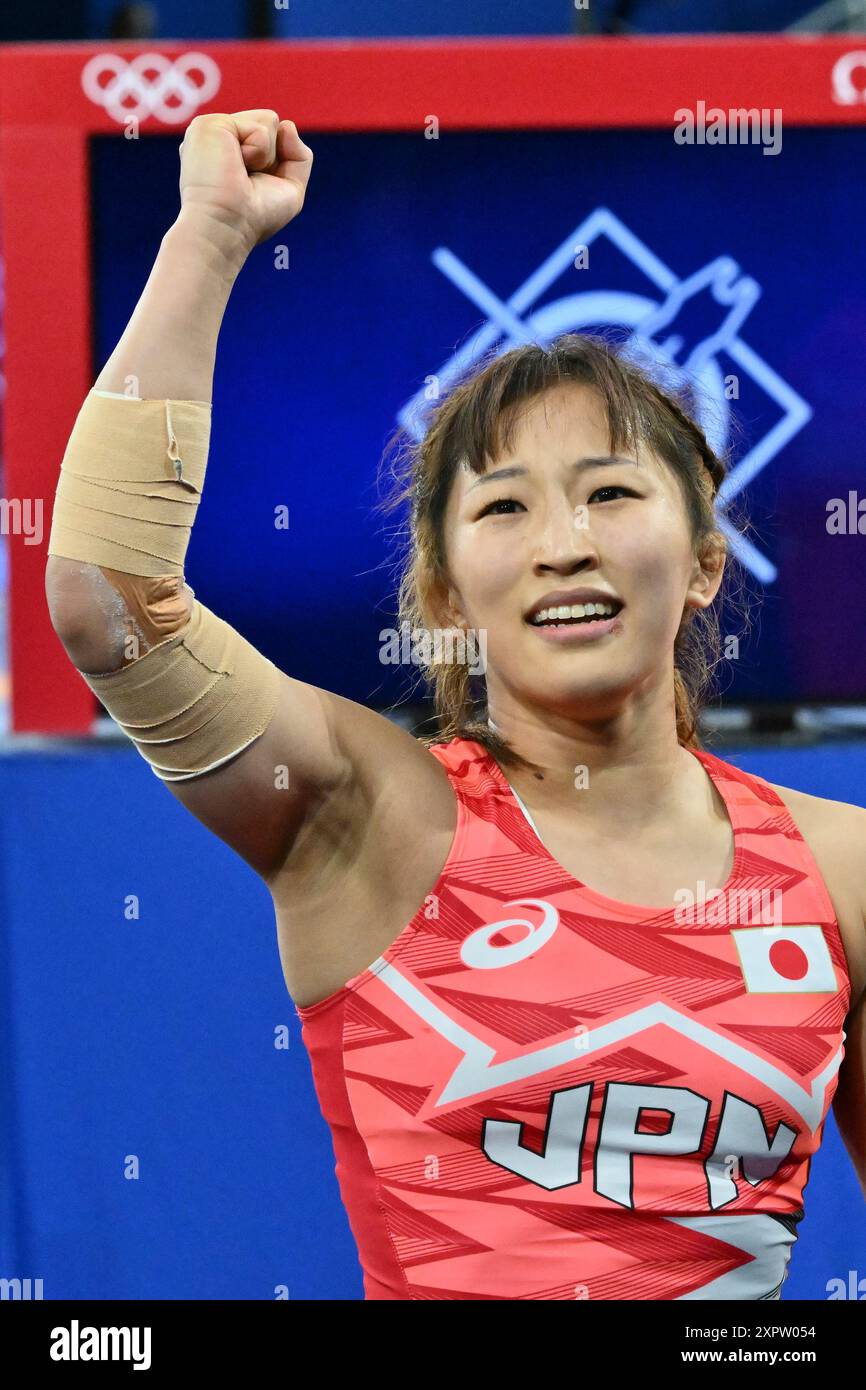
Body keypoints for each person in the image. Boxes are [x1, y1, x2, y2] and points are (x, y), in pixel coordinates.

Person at [45, 109, 865, 1300]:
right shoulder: (365, 815)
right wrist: (211, 237)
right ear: (444, 590)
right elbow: (109, 604)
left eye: (609, 492)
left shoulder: (841, 871)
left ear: (702, 561)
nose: (563, 546)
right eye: (503, 509)